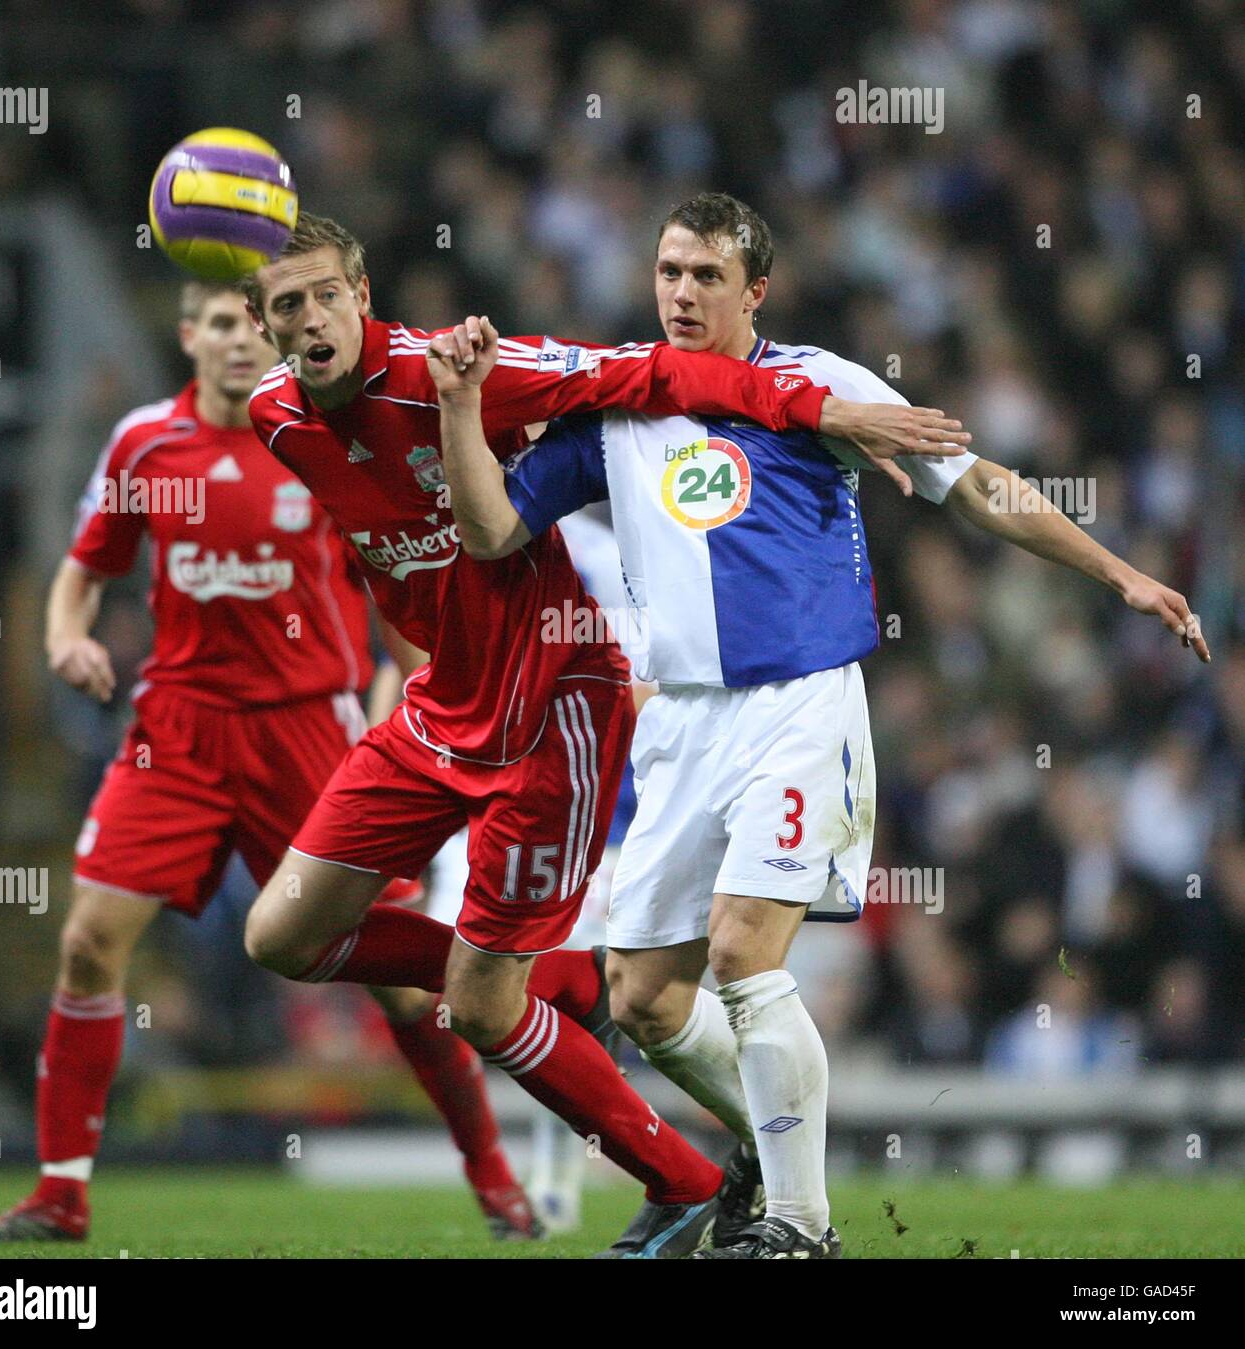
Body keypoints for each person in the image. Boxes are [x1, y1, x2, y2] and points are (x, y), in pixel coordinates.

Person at [426, 191, 1211, 1259]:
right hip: (677, 723)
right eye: (669, 272)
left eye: (707, 276)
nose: (682, 293)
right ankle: (770, 1142)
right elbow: (493, 528)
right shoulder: (614, 404)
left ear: (756, 290)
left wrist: (1118, 572)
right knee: (643, 997)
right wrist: (458, 411)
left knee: (745, 951)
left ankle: (799, 1224)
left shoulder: (821, 385)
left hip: (798, 705)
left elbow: (972, 483)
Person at [237, 211, 958, 1256]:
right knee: (279, 937)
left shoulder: (472, 370)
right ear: (262, 323)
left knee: (484, 1009)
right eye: (285, 305)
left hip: (549, 709)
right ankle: (559, 990)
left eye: (324, 295)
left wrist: (818, 403)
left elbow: (661, 375)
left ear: (361, 293)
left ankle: (685, 1178)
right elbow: (380, 546)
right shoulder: (274, 416)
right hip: (439, 710)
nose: (310, 319)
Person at [0, 283, 557, 1244]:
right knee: (85, 942)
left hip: (309, 732)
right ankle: (61, 1194)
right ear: (191, 334)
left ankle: (491, 1171)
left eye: (260, 324)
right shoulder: (144, 446)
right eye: (224, 323)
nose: (246, 341)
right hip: (178, 729)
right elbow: (82, 565)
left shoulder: (316, 435)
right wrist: (67, 636)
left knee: (399, 981)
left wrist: (404, 712)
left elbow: (397, 597)